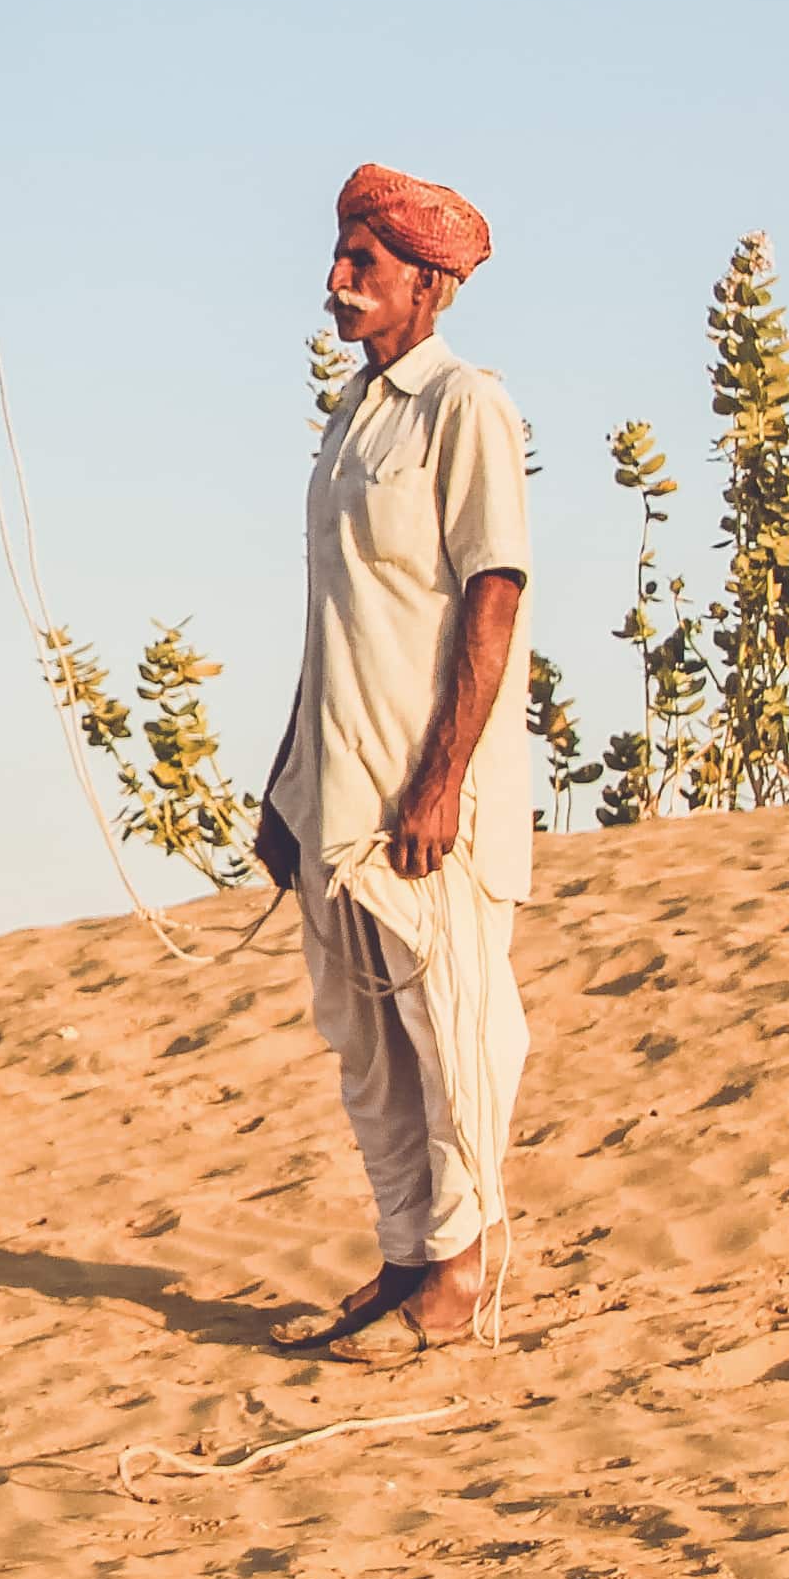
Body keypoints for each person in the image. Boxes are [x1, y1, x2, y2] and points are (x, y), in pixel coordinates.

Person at [252, 164, 535, 1360]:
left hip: (426, 804)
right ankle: (408, 1255)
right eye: (338, 256)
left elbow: (493, 592)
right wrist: (288, 782)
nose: (337, 280)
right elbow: (335, 619)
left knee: (454, 1028)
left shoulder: (465, 406)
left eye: (363, 262)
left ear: (428, 282)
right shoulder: (350, 418)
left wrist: (442, 779)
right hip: (338, 794)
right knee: (367, 1048)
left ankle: (463, 1271)